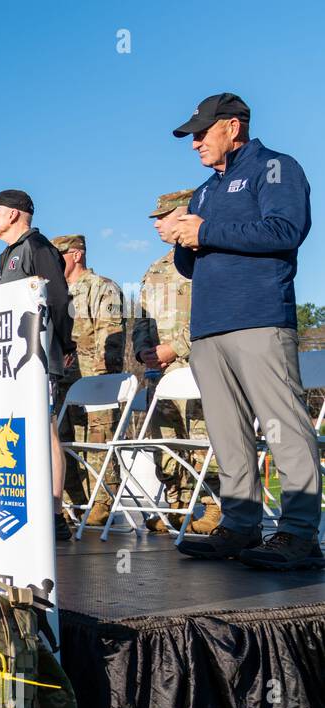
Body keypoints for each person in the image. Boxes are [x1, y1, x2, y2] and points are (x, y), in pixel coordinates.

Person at [163, 93, 319, 569]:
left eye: (201, 133)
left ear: (232, 127)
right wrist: (180, 240)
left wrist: (204, 232)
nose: (194, 144)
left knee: (283, 426)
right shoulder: (204, 191)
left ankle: (298, 535)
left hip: (259, 319)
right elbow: (193, 265)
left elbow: (285, 230)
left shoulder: (276, 168)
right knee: (227, 432)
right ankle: (240, 525)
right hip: (209, 329)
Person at [0, 188, 76, 540]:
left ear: (15, 214)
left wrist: (63, 343)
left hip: (39, 357)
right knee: (17, 430)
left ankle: (55, 514)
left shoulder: (38, 248)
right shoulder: (7, 255)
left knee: (46, 430)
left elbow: (60, 299)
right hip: (11, 362)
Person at [132, 189, 222, 535]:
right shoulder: (154, 269)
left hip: (198, 365)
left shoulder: (205, 259)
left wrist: (177, 348)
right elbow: (140, 317)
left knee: (204, 438)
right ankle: (177, 503)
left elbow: (212, 312)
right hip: (160, 373)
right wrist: (144, 351)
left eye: (162, 217)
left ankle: (215, 506)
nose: (156, 225)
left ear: (183, 213)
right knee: (167, 444)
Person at [51, 233, 126, 527]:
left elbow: (111, 337)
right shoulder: (58, 294)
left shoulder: (101, 288)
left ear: (77, 255)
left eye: (60, 257)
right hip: (62, 382)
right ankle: (72, 502)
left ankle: (101, 501)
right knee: (65, 441)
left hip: (95, 381)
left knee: (98, 440)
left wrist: (102, 378)